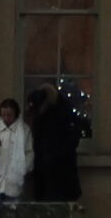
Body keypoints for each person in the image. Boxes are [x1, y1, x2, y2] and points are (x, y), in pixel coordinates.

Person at [27, 79, 88, 207]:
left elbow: (72, 137)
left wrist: (56, 153)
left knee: (58, 203)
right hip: (47, 167)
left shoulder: (61, 114)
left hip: (60, 167)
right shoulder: (48, 115)